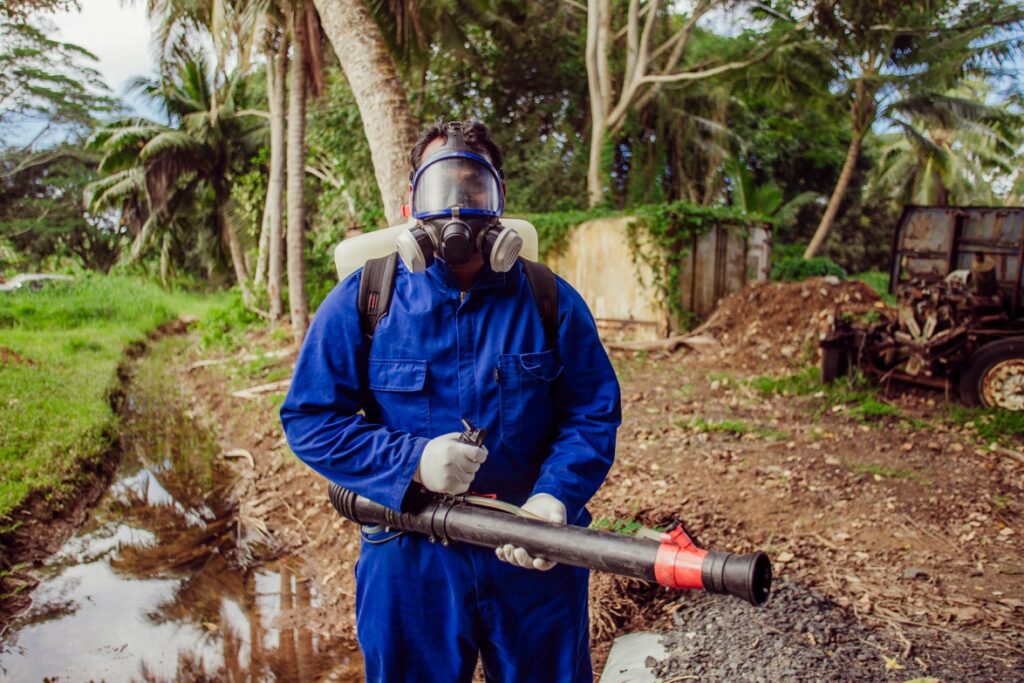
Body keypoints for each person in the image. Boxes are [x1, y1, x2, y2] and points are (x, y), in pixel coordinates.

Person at [280, 120, 621, 682]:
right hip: (409, 547)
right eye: (442, 189)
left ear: (499, 200)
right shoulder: (366, 298)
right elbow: (310, 418)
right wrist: (409, 461)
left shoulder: (547, 298)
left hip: (529, 547)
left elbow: (591, 413)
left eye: (473, 187)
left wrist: (555, 498)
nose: (457, 210)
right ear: (411, 201)